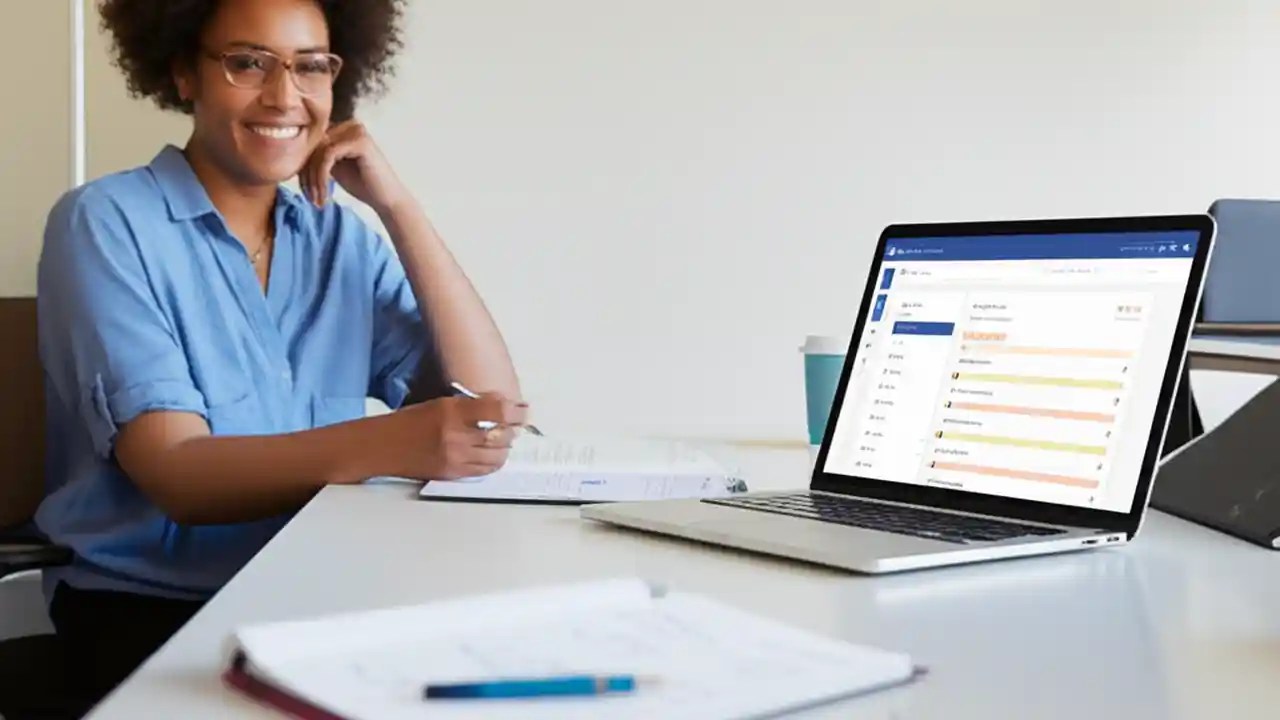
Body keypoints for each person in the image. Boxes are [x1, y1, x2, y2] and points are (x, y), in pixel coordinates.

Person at [34, 0, 528, 712]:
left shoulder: (339, 238)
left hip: (312, 594)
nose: (284, 96)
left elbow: (490, 413)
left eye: (310, 66)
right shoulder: (106, 223)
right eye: (246, 62)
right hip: (151, 610)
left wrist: (397, 205)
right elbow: (180, 476)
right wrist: (391, 441)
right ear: (182, 72)